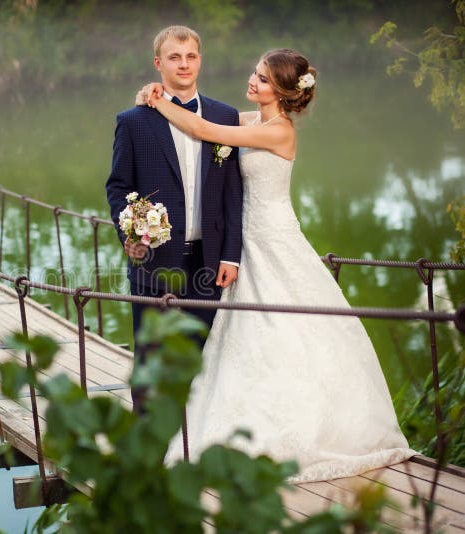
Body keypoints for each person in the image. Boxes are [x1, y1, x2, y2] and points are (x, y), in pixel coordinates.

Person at [137, 48, 416, 482]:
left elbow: (202, 127)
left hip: (274, 237)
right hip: (248, 240)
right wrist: (159, 93)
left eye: (264, 79)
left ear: (284, 92)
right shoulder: (256, 121)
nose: (253, 81)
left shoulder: (279, 131)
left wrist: (158, 101)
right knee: (254, 332)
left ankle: (308, 427)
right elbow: (213, 119)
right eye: (255, 73)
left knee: (289, 327)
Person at [105, 25, 244, 413]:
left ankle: (186, 447)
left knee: (200, 354)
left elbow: (234, 194)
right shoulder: (132, 121)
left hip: (209, 259)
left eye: (191, 56)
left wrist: (230, 255)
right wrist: (129, 234)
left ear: (200, 59)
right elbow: (117, 187)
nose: (184, 64)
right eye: (174, 57)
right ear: (158, 63)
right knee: (150, 356)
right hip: (153, 258)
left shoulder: (224, 115)